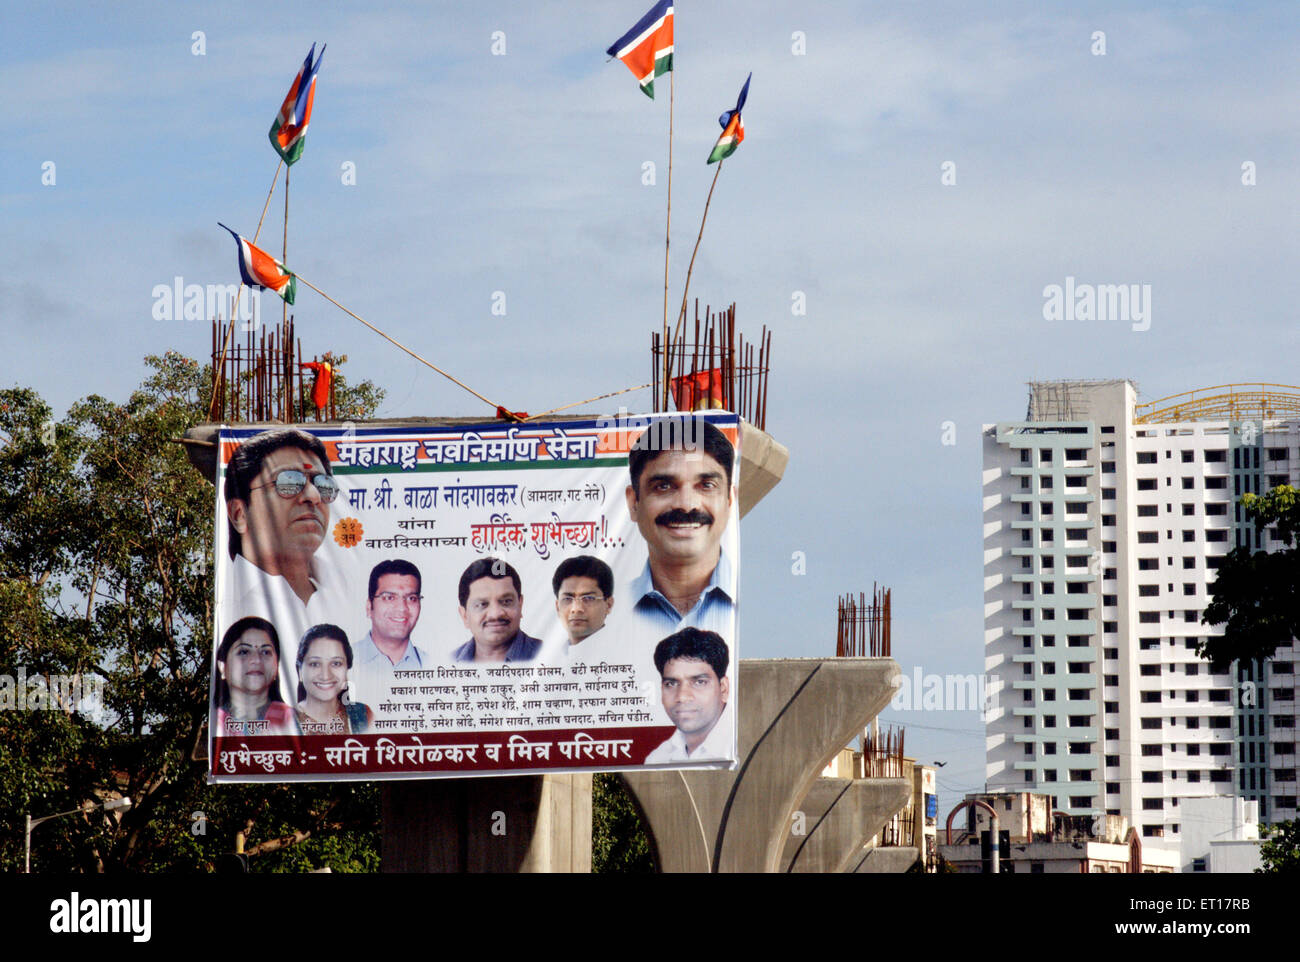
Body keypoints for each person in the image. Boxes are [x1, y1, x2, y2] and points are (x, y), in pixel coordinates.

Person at [221, 428, 356, 653]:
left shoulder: (349, 594)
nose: (313, 496)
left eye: (323, 484)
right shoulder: (229, 601)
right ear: (239, 514)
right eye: (289, 482)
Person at [625, 416, 737, 636]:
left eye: (706, 485)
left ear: (730, 500)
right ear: (633, 503)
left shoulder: (759, 600)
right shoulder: (607, 610)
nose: (686, 505)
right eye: (664, 486)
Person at [643, 627, 733, 764]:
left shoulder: (742, 745)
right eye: (671, 684)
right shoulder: (657, 759)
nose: (682, 697)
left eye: (699, 682)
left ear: (723, 689)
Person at [350, 559, 429, 707]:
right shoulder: (343, 663)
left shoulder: (432, 665)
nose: (402, 608)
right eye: (389, 598)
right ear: (369, 607)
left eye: (411, 598)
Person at [214, 616, 297, 736]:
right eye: (244, 652)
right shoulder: (214, 722)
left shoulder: (293, 721)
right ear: (222, 667)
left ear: (277, 667)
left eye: (265, 652)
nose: (257, 660)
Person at [451, 558, 542, 663]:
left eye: (506, 601)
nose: (495, 614)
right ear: (464, 616)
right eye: (481, 604)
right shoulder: (448, 662)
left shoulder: (549, 654)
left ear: (520, 605)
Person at [294, 624, 372, 735]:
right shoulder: (283, 721)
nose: (326, 676)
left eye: (336, 663)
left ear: (347, 669)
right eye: (315, 664)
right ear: (300, 672)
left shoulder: (364, 716)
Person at [551, 555, 615, 656]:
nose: (576, 609)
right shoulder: (548, 657)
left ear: (608, 605)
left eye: (588, 598)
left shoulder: (626, 653)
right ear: (557, 607)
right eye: (567, 599)